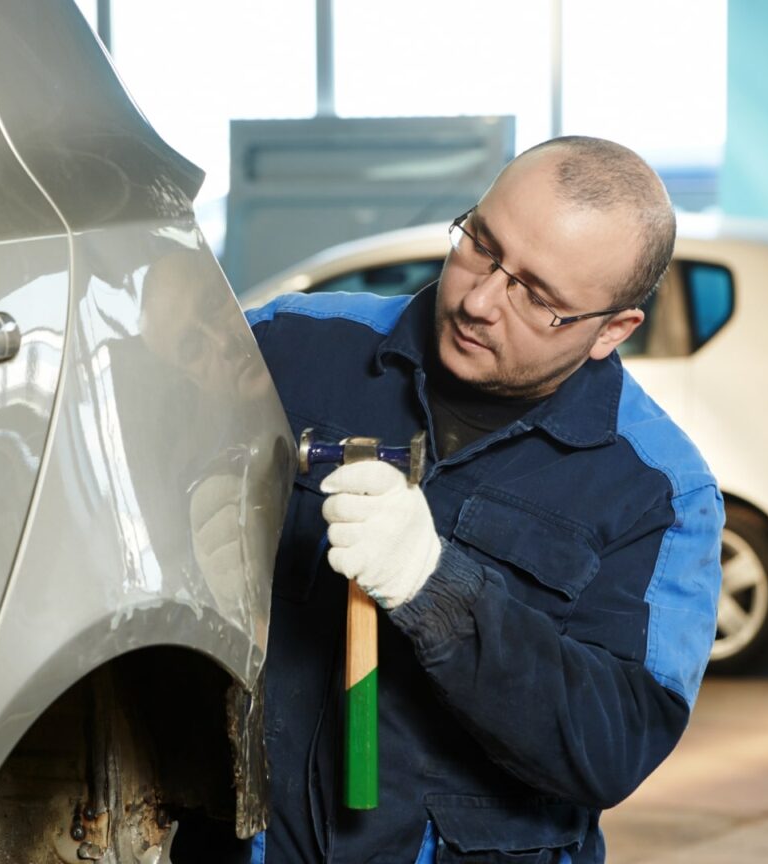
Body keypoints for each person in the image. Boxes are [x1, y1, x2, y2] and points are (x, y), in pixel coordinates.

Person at [240, 136, 723, 864]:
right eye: (480, 244)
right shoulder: (288, 349)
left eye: (537, 296)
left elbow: (614, 746)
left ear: (612, 330)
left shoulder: (659, 492)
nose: (477, 300)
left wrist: (434, 588)